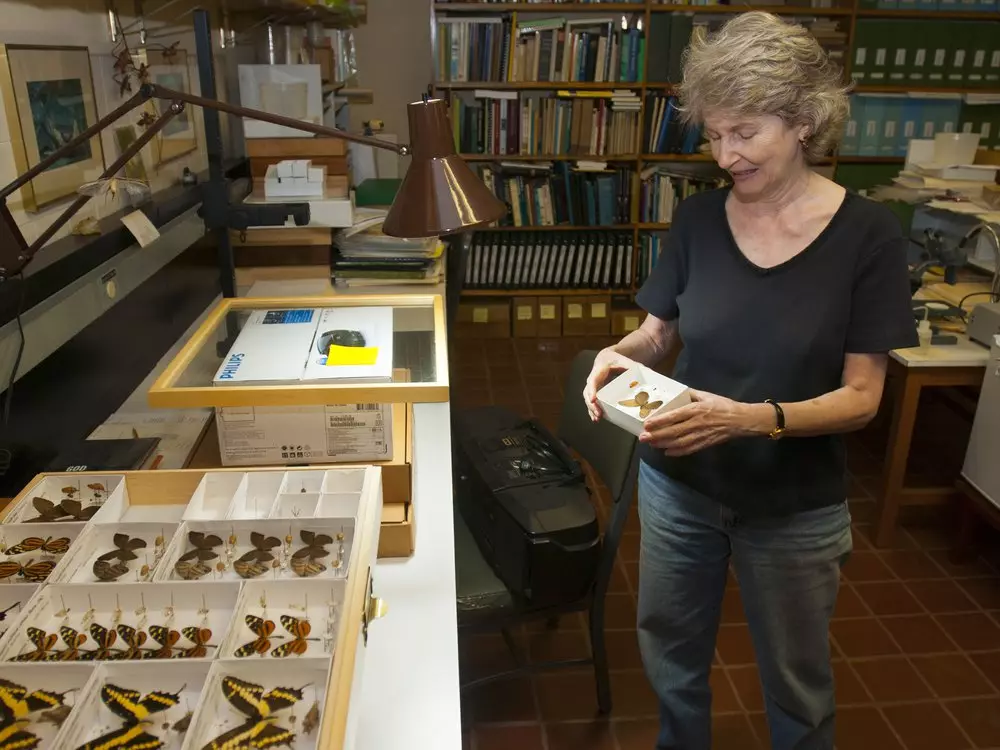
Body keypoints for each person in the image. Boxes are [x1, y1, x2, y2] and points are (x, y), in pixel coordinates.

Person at [582, 12, 917, 750]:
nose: (725, 154)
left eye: (744, 133)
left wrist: (751, 418)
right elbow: (660, 330)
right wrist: (622, 352)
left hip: (793, 509)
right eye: (713, 134)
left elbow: (864, 398)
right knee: (670, 659)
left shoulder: (868, 236)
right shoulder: (698, 220)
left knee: (797, 685)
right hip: (679, 489)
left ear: (803, 122)